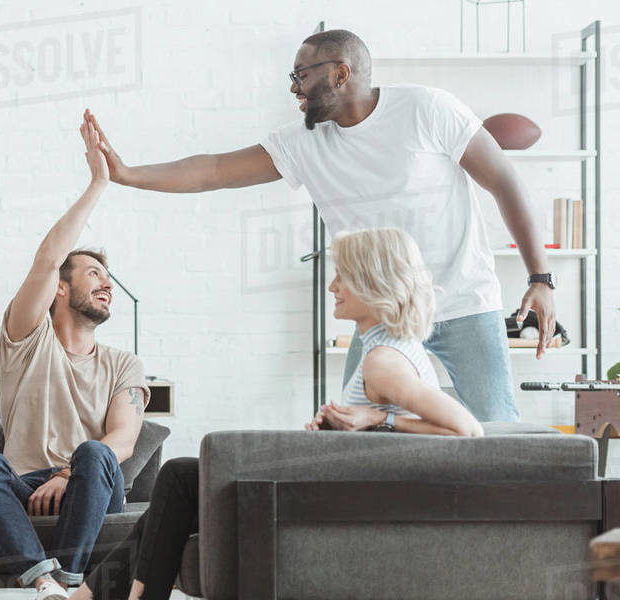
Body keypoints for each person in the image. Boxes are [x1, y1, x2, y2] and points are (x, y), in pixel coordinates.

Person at [0, 228, 482, 600]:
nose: (331, 285)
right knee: (175, 489)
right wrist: (358, 426)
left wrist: (377, 422)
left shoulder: (383, 360)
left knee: (178, 481)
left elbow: (467, 430)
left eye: (343, 275)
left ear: (374, 282)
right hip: (341, 494)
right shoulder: (391, 350)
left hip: (337, 507)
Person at [85, 27, 557, 424]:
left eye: (301, 75)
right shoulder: (304, 144)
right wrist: (126, 174)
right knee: (347, 431)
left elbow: (504, 181)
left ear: (340, 73)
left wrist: (540, 278)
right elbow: (213, 170)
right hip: (380, 317)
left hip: (463, 302)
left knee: (498, 431)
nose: (293, 87)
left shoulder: (427, 110)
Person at [0, 120, 149, 600]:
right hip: (24, 481)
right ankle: (52, 591)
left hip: (90, 482)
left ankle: (59, 591)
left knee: (95, 451)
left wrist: (70, 472)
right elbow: (47, 259)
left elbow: (122, 439)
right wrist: (98, 184)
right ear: (61, 290)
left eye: (108, 277)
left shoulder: (124, 363)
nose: (106, 283)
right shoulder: (25, 338)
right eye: (93, 272)